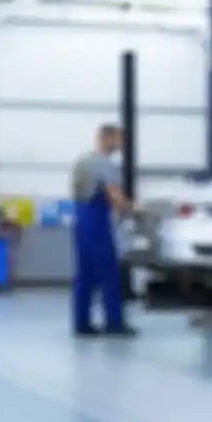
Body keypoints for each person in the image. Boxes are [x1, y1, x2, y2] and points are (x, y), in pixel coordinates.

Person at [70, 123, 137, 337]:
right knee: (110, 273)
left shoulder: (82, 161)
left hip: (81, 220)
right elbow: (116, 197)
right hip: (97, 222)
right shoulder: (104, 164)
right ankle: (114, 323)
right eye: (119, 139)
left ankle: (82, 324)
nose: (122, 144)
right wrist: (138, 209)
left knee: (85, 274)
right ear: (107, 138)